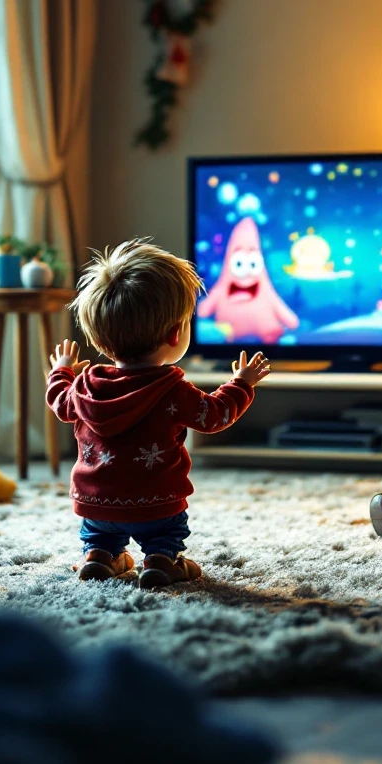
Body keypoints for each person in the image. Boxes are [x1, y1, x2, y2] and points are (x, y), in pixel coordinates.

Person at [46, 238, 270, 589]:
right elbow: (214, 415)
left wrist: (62, 370)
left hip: (96, 504)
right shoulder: (172, 389)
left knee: (99, 533)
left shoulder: (85, 386)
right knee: (166, 532)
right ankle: (162, 560)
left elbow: (59, 400)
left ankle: (100, 555)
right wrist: (242, 384)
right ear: (175, 333)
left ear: (101, 341)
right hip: (157, 505)